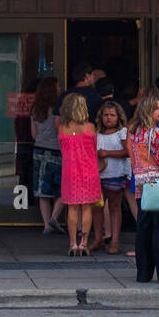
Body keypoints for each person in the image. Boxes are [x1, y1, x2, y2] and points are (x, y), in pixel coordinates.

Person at [127, 94, 159, 284]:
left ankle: (143, 273)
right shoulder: (156, 133)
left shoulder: (134, 132)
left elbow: (132, 157)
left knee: (144, 228)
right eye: (158, 108)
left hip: (142, 185)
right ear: (149, 110)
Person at [57, 92, 100, 256]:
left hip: (70, 171)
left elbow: (62, 149)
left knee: (72, 208)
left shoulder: (62, 128)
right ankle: (84, 243)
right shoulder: (90, 128)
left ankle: (72, 243)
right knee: (87, 207)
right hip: (89, 170)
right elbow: (95, 148)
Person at [95, 99, 134, 254]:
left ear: (118, 117)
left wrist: (108, 153)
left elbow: (128, 151)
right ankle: (99, 239)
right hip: (99, 175)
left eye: (112, 115)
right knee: (97, 208)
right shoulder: (97, 134)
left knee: (114, 207)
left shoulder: (122, 133)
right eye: (105, 115)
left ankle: (115, 240)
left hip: (115, 174)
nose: (108, 118)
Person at [29, 76, 64, 234]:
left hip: (39, 151)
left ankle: (46, 225)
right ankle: (55, 217)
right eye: (58, 86)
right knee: (63, 188)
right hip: (58, 151)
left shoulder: (36, 109)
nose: (60, 89)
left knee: (43, 190)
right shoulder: (60, 109)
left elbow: (34, 134)